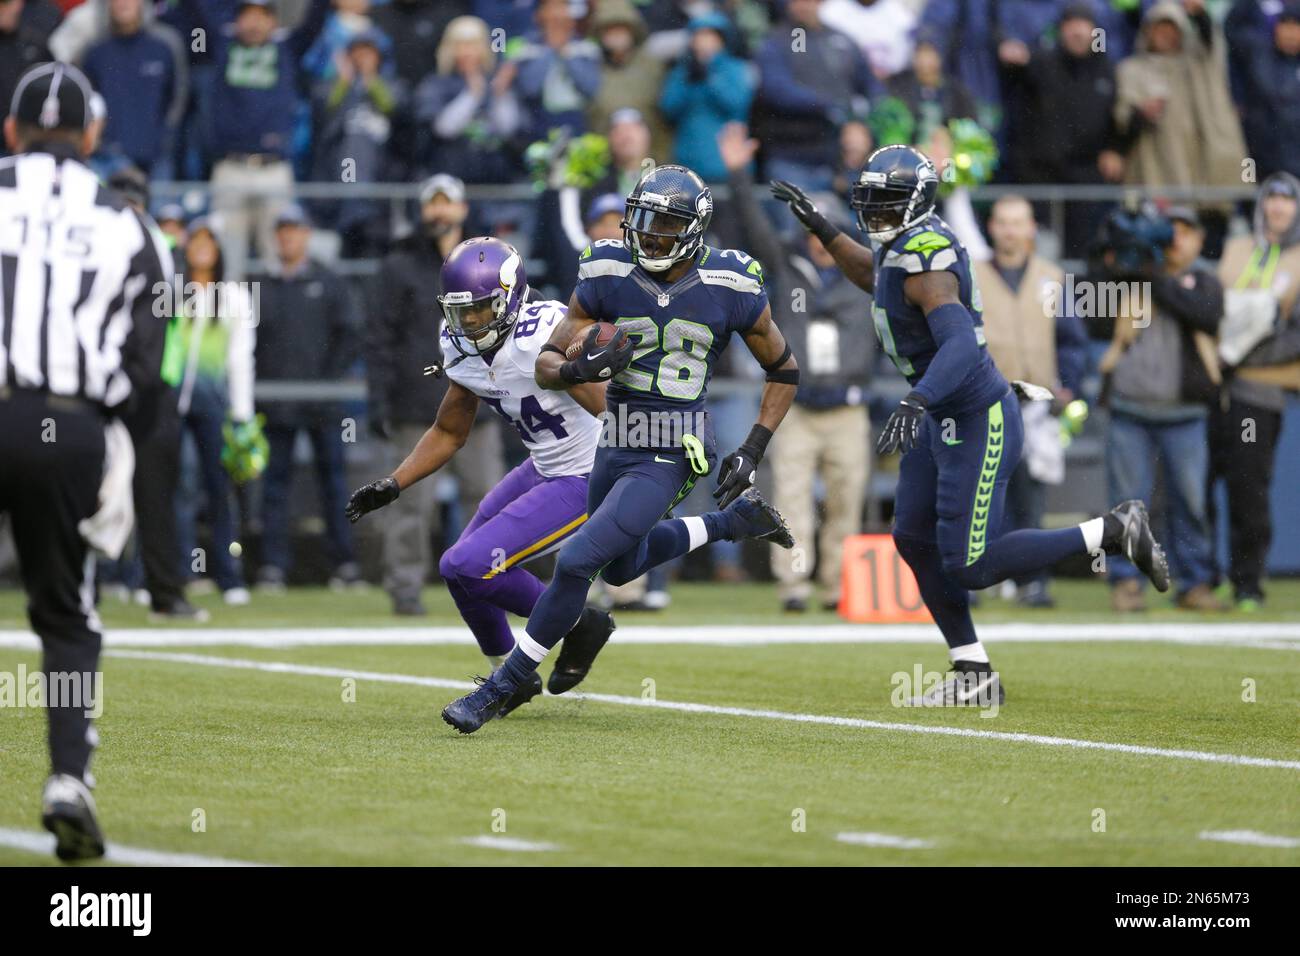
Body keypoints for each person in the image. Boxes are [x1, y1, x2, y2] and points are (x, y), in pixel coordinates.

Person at [773, 145, 1170, 704]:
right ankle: (973, 672)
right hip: (944, 412)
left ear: (914, 204)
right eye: (870, 204)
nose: (875, 215)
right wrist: (825, 227)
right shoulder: (902, 248)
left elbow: (958, 342)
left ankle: (1111, 531)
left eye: (885, 205)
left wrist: (916, 399)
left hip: (974, 414)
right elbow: (877, 276)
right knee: (912, 538)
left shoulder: (929, 261)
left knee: (972, 564)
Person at [441, 164, 801, 733]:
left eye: (664, 225)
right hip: (616, 437)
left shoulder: (732, 283)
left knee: (579, 559)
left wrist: (753, 448)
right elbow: (548, 361)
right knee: (622, 563)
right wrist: (581, 366)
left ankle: (503, 688)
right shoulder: (608, 271)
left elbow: (783, 368)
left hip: (674, 444)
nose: (649, 235)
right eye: (643, 221)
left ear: (694, 228)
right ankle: (734, 522)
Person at [1, 62, 171, 860]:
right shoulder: (128, 224)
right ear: (93, 135)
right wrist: (111, 442)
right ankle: (68, 777)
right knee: (66, 614)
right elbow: (145, 365)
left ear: (12, 130)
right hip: (68, 426)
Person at [347, 238, 617, 712]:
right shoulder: (458, 344)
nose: (470, 323)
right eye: (461, 311)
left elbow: (611, 408)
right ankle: (509, 673)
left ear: (513, 297)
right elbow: (450, 429)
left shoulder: (549, 329)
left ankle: (579, 623)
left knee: (471, 564)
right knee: (457, 569)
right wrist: (395, 482)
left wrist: (583, 366)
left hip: (589, 473)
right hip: (543, 465)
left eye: (480, 310)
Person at [720, 122, 875, 612]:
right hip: (799, 406)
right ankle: (793, 584)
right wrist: (740, 175)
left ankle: (836, 586)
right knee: (791, 498)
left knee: (847, 498)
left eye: (824, 233)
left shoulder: (861, 275)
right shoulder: (786, 269)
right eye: (810, 232)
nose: (817, 242)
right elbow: (754, 228)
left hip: (849, 405)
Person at [366, 174, 505, 615]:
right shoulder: (399, 264)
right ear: (422, 211)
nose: (440, 213)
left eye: (448, 204)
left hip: (478, 398)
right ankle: (405, 587)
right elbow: (379, 339)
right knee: (411, 502)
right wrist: (378, 399)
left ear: (464, 210)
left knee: (487, 497)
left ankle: (488, 581)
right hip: (417, 403)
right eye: (433, 205)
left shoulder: (488, 261)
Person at [1093, 205, 1224, 612]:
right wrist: (1115, 255)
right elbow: (1092, 317)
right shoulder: (1123, 278)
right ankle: (1127, 583)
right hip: (1129, 409)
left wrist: (1152, 275)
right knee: (1126, 503)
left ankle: (1194, 582)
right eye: (1170, 231)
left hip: (1184, 413)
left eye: (1184, 232)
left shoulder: (1203, 280)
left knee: (1191, 502)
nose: (1176, 240)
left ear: (1199, 240)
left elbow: (1205, 314)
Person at [974, 195, 1087, 608]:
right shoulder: (972, 275)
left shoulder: (1052, 278)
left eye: (1017, 222)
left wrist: (1069, 386)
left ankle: (1032, 581)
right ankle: (978, 579)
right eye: (1003, 222)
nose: (1010, 230)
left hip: (1036, 405)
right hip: (985, 402)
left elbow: (1072, 341)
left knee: (1031, 501)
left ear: (1031, 228)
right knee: (979, 499)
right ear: (992, 227)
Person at [252, 204, 362, 591]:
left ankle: (344, 563)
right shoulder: (260, 283)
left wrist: (326, 379)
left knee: (333, 484)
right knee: (275, 486)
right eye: (282, 230)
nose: (288, 236)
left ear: (307, 234)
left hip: (322, 402)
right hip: (276, 402)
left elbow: (350, 334)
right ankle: (272, 566)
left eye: (294, 229)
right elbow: (248, 341)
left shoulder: (329, 282)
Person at [187, 0, 331, 279]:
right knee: (227, 263)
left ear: (273, 22)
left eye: (261, 16)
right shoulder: (221, 45)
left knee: (279, 260)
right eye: (247, 15)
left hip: (274, 168)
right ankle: (228, 321)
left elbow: (315, 21)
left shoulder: (287, 49)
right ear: (236, 20)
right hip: (230, 166)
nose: (254, 23)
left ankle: (277, 322)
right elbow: (198, 11)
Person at [1210, 173, 1300, 609]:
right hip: (1212, 384)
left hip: (1257, 390)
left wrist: (1244, 355)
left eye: (1288, 201)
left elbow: (1295, 334)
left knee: (1249, 484)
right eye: (1273, 200)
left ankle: (1249, 581)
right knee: (1204, 482)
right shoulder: (1236, 248)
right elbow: (1212, 306)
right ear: (1262, 204)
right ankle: (1207, 576)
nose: (1279, 208)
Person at [173, 218, 260, 604]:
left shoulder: (235, 297)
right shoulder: (173, 291)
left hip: (214, 407)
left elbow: (241, 359)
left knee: (219, 489)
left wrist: (241, 413)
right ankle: (174, 573)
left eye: (211, 241)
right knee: (177, 485)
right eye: (197, 241)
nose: (203, 248)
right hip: (173, 405)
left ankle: (229, 576)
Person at [79, 0, 188, 177]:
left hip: (156, 158)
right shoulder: (95, 52)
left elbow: (178, 96)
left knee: (160, 204)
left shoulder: (165, 45)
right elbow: (88, 101)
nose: (123, 3)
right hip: (105, 159)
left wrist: (164, 136)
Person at [658, 11, 753, 183]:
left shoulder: (735, 68)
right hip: (689, 162)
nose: (704, 42)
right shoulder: (683, 71)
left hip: (726, 163)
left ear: (722, 40)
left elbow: (737, 103)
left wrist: (710, 76)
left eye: (710, 36)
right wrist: (687, 82)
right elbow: (668, 108)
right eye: (699, 36)